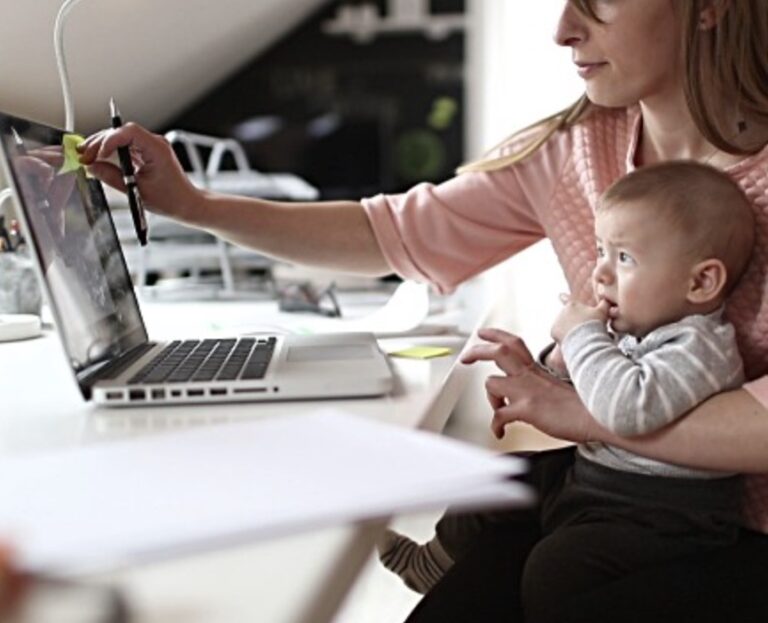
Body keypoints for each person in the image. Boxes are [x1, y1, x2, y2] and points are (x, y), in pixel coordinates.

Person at [78, 0, 768, 620]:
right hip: (603, 493)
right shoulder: (577, 148)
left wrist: (581, 412)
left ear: (710, 8)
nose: (563, 29)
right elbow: (395, 233)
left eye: (600, 3)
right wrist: (193, 206)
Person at [377, 160, 754, 605]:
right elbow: (587, 393)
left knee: (556, 566)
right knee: (494, 481)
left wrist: (582, 335)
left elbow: (624, 409)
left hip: (667, 512)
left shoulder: (700, 348)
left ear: (701, 281)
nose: (601, 273)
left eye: (625, 258)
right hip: (596, 477)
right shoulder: (642, 327)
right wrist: (551, 367)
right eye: (600, 251)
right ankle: (430, 565)